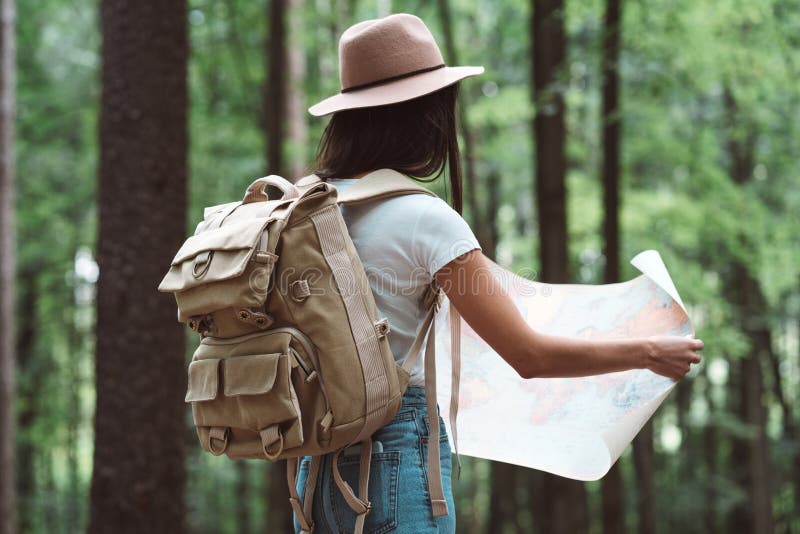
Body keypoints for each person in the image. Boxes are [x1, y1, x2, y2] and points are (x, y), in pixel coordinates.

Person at [294, 13, 703, 534]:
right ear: (426, 115)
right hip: (394, 458)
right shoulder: (422, 218)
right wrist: (649, 351)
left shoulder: (309, 208)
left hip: (312, 474)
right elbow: (528, 356)